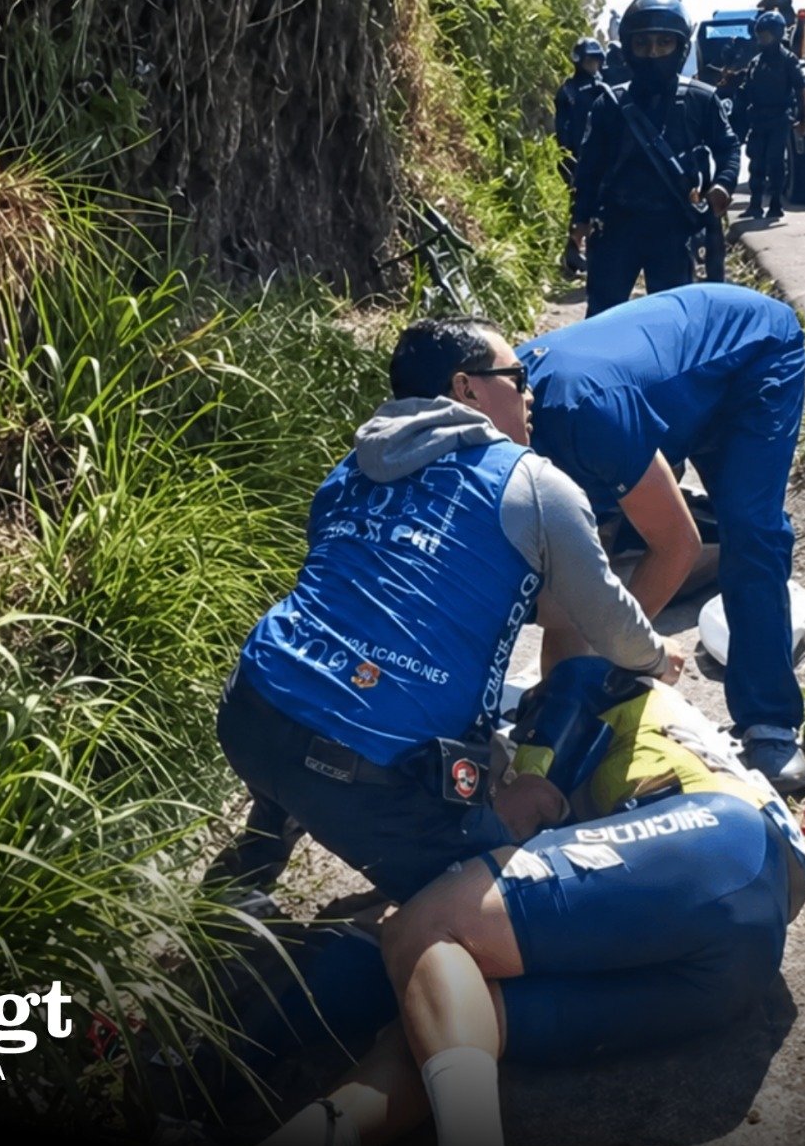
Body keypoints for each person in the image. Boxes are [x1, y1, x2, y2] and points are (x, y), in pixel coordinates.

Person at [239, 667, 805, 1146]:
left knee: (424, 923)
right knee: (436, 1025)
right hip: (733, 965)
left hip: (722, 843)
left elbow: (557, 727)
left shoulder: (585, 695)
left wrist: (510, 790)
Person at [213, 316, 680, 907]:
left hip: (249, 708)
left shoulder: (349, 470)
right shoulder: (534, 483)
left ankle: (231, 899)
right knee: (496, 903)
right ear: (467, 389)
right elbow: (611, 622)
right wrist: (658, 656)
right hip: (365, 778)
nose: (531, 393)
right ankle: (287, 974)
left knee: (317, 706)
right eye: (518, 377)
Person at [515, 283, 805, 791]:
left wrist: (622, 655)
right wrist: (558, 696)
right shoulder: (500, 450)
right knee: (592, 561)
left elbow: (679, 546)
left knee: (748, 527)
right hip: (671, 390)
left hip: (752, 353)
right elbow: (573, 589)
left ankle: (771, 722)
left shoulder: (580, 411)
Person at [570, 0, 740, 316]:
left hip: (674, 228)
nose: (653, 53)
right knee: (602, 321)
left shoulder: (701, 99)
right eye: (643, 44)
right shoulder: (608, 106)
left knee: (674, 323)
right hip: (616, 229)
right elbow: (589, 171)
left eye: (664, 43)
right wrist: (579, 223)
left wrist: (723, 184)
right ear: (629, 48)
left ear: (681, 47)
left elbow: (728, 147)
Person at [740, 9, 805, 221]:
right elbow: (746, 89)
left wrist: (803, 117)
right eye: (760, 35)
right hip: (758, 118)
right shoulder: (756, 62)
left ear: (777, 35)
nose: (762, 40)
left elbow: (799, 89)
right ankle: (755, 204)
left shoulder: (788, 61)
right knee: (756, 162)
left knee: (774, 161)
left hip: (779, 118)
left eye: (766, 35)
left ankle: (776, 204)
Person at [555, 37, 607, 276]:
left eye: (596, 60)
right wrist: (568, 158)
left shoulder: (603, 87)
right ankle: (574, 252)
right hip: (576, 158)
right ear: (579, 61)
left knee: (600, 207)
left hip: (601, 157)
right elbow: (562, 129)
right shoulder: (568, 90)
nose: (592, 65)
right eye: (588, 60)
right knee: (581, 206)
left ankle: (587, 254)